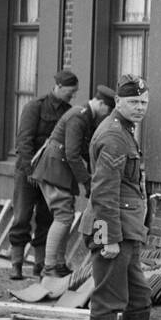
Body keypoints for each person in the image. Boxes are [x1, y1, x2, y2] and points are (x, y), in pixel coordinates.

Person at [85, 74, 161, 320]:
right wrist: (110, 239)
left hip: (127, 231)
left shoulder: (125, 132)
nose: (140, 107)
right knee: (109, 299)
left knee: (139, 296)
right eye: (133, 101)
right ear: (118, 101)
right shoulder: (114, 135)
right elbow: (104, 194)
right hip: (112, 231)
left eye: (144, 102)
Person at [30, 85, 116, 278]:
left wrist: (96, 173)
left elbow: (84, 150)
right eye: (108, 111)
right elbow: (72, 154)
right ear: (101, 103)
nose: (107, 116)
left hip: (58, 170)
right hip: (54, 169)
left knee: (64, 215)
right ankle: (49, 267)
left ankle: (58, 264)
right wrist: (86, 181)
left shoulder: (85, 116)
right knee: (63, 216)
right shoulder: (79, 116)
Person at [9, 69, 78, 280]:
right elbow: (24, 141)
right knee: (22, 216)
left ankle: (39, 265)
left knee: (46, 218)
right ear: (58, 86)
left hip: (51, 174)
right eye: (70, 91)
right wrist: (31, 171)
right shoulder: (34, 107)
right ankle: (16, 264)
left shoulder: (69, 111)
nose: (72, 95)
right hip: (28, 172)